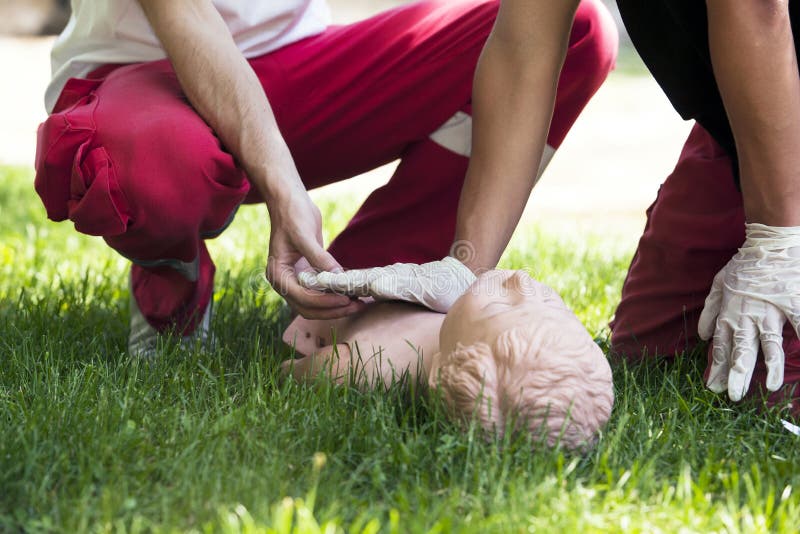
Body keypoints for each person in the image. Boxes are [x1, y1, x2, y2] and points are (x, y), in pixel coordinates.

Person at [33, 0, 618, 356]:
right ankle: (171, 280)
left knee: (578, 29)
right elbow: (184, 16)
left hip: (293, 63)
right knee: (151, 162)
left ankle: (362, 289)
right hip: (139, 78)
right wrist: (285, 188)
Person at [304, 1, 800, 413]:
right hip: (741, 123)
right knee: (648, 354)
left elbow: (757, 8)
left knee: (774, 393)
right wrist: (467, 263)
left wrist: (777, 239)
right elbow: (523, 48)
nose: (521, 281)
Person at [283, 270, 614, 450]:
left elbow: (292, 373)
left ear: (443, 370)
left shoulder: (364, 366)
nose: (522, 281)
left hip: (324, 295)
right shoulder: (467, 324)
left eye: (500, 305)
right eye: (549, 301)